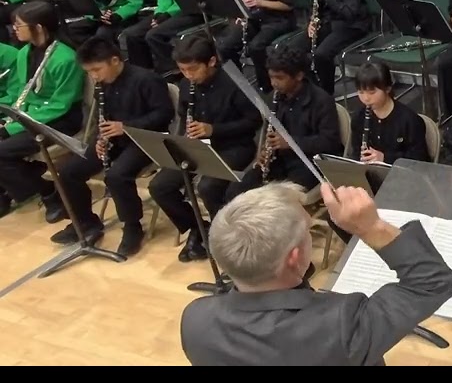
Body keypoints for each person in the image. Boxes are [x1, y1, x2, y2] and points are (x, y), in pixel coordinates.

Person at [181, 182, 452, 366]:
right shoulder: (341, 325)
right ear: (296, 257)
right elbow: (431, 282)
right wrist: (372, 227)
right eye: (307, 231)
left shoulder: (195, 320)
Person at [148, 35, 262, 262]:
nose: (188, 75)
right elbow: (182, 116)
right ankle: (200, 229)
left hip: (233, 146)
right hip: (196, 146)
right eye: (183, 70)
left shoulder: (234, 85)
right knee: (160, 186)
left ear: (211, 61)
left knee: (209, 187)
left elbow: (253, 122)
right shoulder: (186, 85)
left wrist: (213, 130)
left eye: (193, 69)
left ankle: (224, 236)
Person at [57, 37, 173, 256]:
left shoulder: (147, 79)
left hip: (146, 139)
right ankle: (85, 222)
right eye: (89, 72)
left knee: (117, 176)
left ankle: (132, 227)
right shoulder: (103, 84)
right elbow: (105, 117)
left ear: (115, 60)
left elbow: (163, 115)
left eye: (97, 69)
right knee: (69, 171)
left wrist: (126, 127)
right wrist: (101, 139)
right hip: (115, 138)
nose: (94, 76)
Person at [218, 45, 342, 211]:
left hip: (310, 165)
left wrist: (291, 143)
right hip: (280, 160)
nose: (274, 83)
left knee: (276, 205)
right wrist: (263, 153)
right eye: (271, 77)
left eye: (279, 78)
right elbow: (271, 134)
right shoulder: (274, 98)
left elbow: (330, 142)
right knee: (235, 192)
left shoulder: (321, 101)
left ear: (299, 75)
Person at [0, 2, 83, 221]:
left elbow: (60, 105)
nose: (14, 29)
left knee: (1, 152)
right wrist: (10, 118)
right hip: (30, 114)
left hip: (60, 119)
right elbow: (22, 92)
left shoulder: (65, 58)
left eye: (19, 25)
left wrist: (15, 126)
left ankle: (48, 192)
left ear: (38, 27)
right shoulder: (23, 53)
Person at [331, 62, 429, 243]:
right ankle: (362, 246)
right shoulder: (360, 117)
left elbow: (421, 161)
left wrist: (386, 158)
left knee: (384, 217)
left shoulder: (409, 120)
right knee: (338, 214)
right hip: (370, 182)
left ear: (388, 88)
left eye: (372, 92)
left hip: (403, 185)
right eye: (361, 92)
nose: (366, 98)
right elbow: (354, 152)